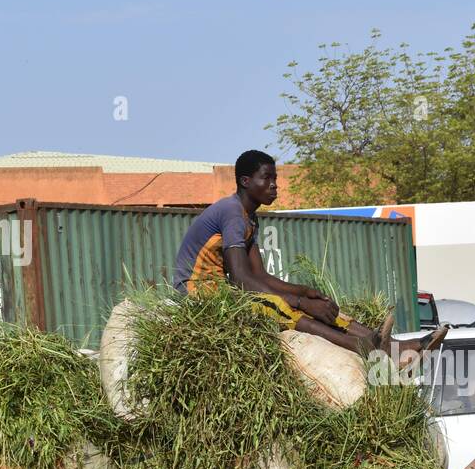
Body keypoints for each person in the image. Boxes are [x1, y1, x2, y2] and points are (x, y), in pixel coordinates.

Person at [174, 149, 445, 357]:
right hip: (198, 291)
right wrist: (300, 303)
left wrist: (305, 292)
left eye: (275, 178)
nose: (274, 185)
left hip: (221, 288)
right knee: (279, 305)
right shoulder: (232, 213)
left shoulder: (249, 219)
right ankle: (366, 349)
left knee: (317, 302)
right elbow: (243, 280)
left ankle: (392, 344)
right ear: (245, 181)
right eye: (266, 178)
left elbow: (260, 276)